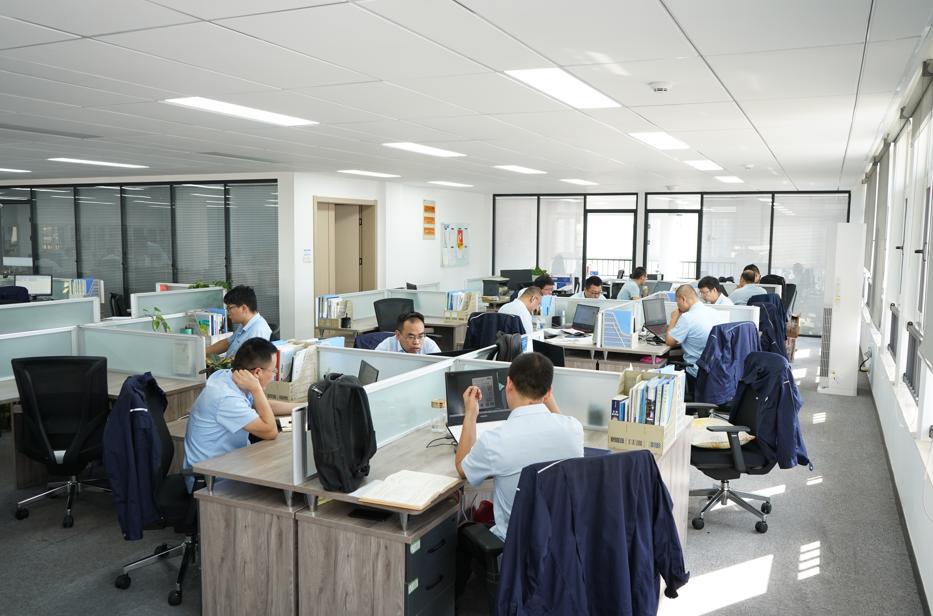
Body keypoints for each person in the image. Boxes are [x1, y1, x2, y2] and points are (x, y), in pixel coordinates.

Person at [456, 352, 584, 541]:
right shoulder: (574, 429)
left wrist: (470, 414)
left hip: (516, 546)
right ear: (549, 392)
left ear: (509, 384)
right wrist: (545, 394)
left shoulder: (494, 440)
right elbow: (559, 419)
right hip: (563, 543)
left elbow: (462, 468)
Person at [183, 338, 295, 488]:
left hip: (231, 464)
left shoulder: (227, 376)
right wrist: (256, 389)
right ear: (257, 372)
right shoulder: (226, 398)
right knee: (283, 480)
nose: (274, 375)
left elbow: (262, 406)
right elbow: (270, 431)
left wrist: (304, 406)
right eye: (273, 370)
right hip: (211, 480)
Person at [665, 285, 722, 394]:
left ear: (683, 299)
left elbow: (669, 341)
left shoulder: (687, 318)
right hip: (714, 370)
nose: (678, 306)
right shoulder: (715, 312)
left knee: (666, 363)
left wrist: (674, 318)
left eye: (678, 302)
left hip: (695, 372)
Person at [205, 285, 272, 358]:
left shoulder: (258, 331)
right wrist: (203, 352)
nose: (228, 313)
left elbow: (251, 362)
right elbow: (227, 343)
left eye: (230, 308)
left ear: (243, 308)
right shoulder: (245, 324)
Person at [375, 311, 441, 354]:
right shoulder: (386, 347)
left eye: (420, 336)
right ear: (398, 335)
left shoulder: (430, 345)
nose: (416, 342)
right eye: (411, 337)